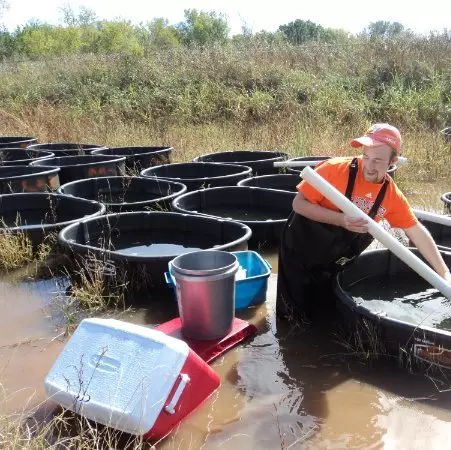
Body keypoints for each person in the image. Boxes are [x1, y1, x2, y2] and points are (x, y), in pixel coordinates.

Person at [276, 123, 451, 323]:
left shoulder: (391, 196)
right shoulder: (333, 170)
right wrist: (340, 219)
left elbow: (416, 231)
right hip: (300, 251)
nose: (369, 166)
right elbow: (298, 204)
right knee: (292, 318)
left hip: (335, 263)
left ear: (393, 161)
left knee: (326, 318)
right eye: (366, 157)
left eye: (377, 161)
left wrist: (444, 272)